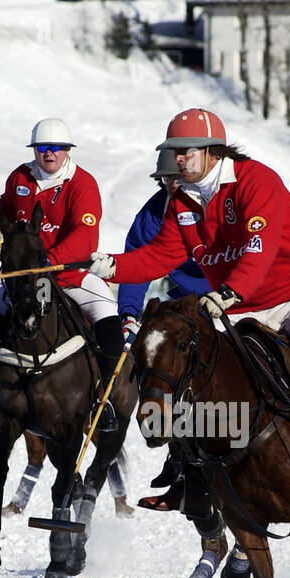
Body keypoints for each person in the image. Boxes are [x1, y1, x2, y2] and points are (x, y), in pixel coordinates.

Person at [88, 106, 290, 496]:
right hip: (240, 303)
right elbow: (160, 254)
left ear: (213, 152)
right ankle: (190, 468)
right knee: (194, 367)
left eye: (186, 151)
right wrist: (113, 266)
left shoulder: (255, 180)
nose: (178, 159)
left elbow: (257, 248)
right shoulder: (182, 201)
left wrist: (230, 292)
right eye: (174, 152)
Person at [0, 118, 122, 431]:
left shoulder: (82, 183)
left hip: (70, 278)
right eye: (42, 148)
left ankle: (105, 402)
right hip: (24, 281)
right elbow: (3, 208)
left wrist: (48, 260)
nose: (48, 154)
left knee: (111, 328)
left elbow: (85, 236)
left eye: (56, 148)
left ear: (67, 151)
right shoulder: (19, 177)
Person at [118, 149, 212, 512]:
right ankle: (177, 455)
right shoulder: (154, 212)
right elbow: (135, 264)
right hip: (184, 304)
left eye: (176, 177)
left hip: (232, 297)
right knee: (160, 365)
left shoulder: (212, 202)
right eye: (165, 180)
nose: (172, 185)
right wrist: (128, 314)